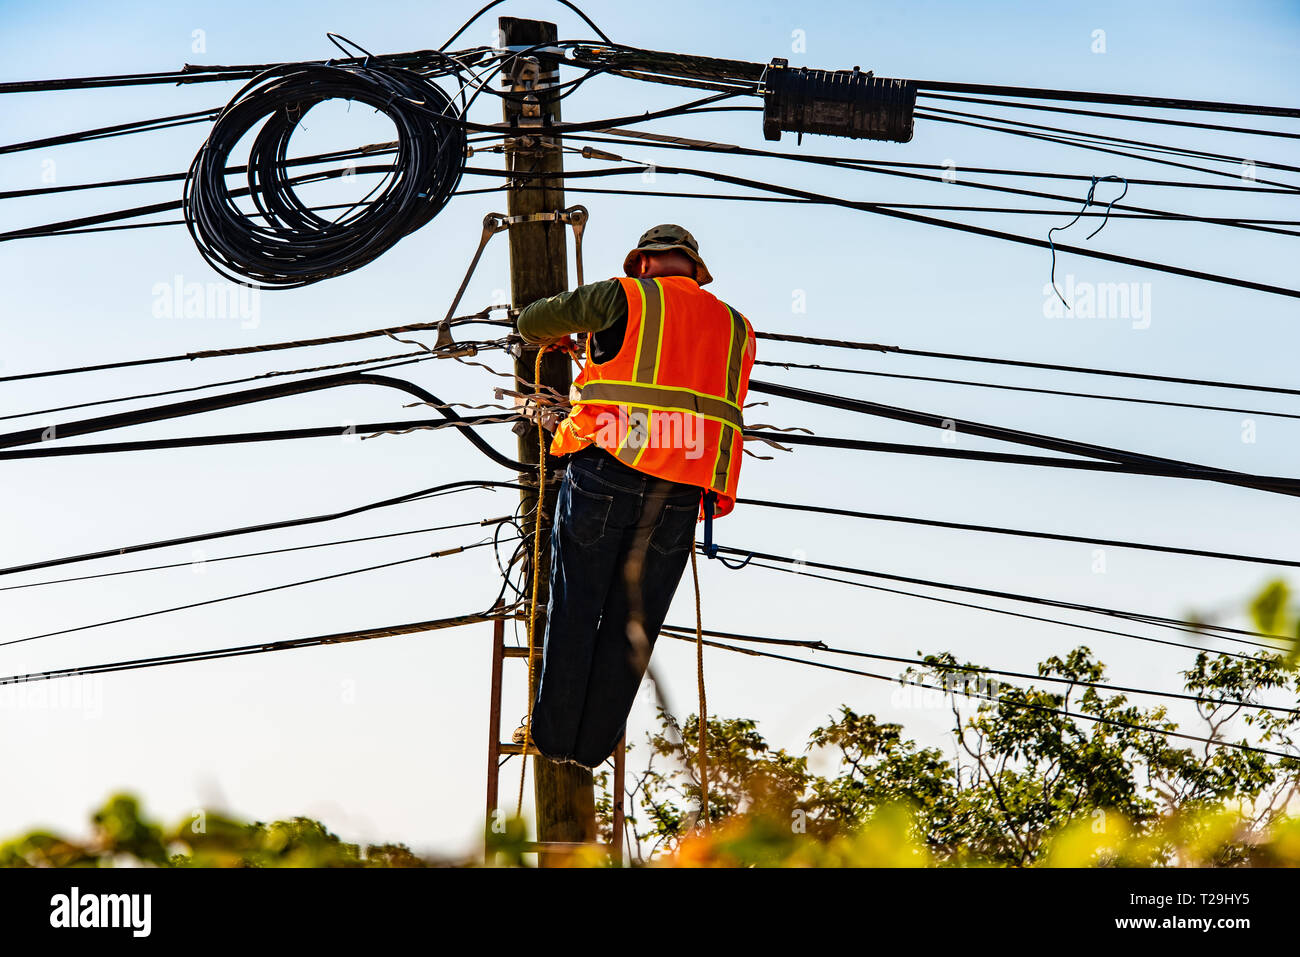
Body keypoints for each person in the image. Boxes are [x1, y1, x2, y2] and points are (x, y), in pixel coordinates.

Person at [512, 224, 757, 770]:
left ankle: (553, 739)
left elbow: (532, 322)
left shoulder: (622, 296)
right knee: (634, 627)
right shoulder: (738, 327)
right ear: (695, 269)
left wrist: (578, 334)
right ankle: (592, 747)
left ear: (644, 264)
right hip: (683, 489)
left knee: (576, 607)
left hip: (610, 468)